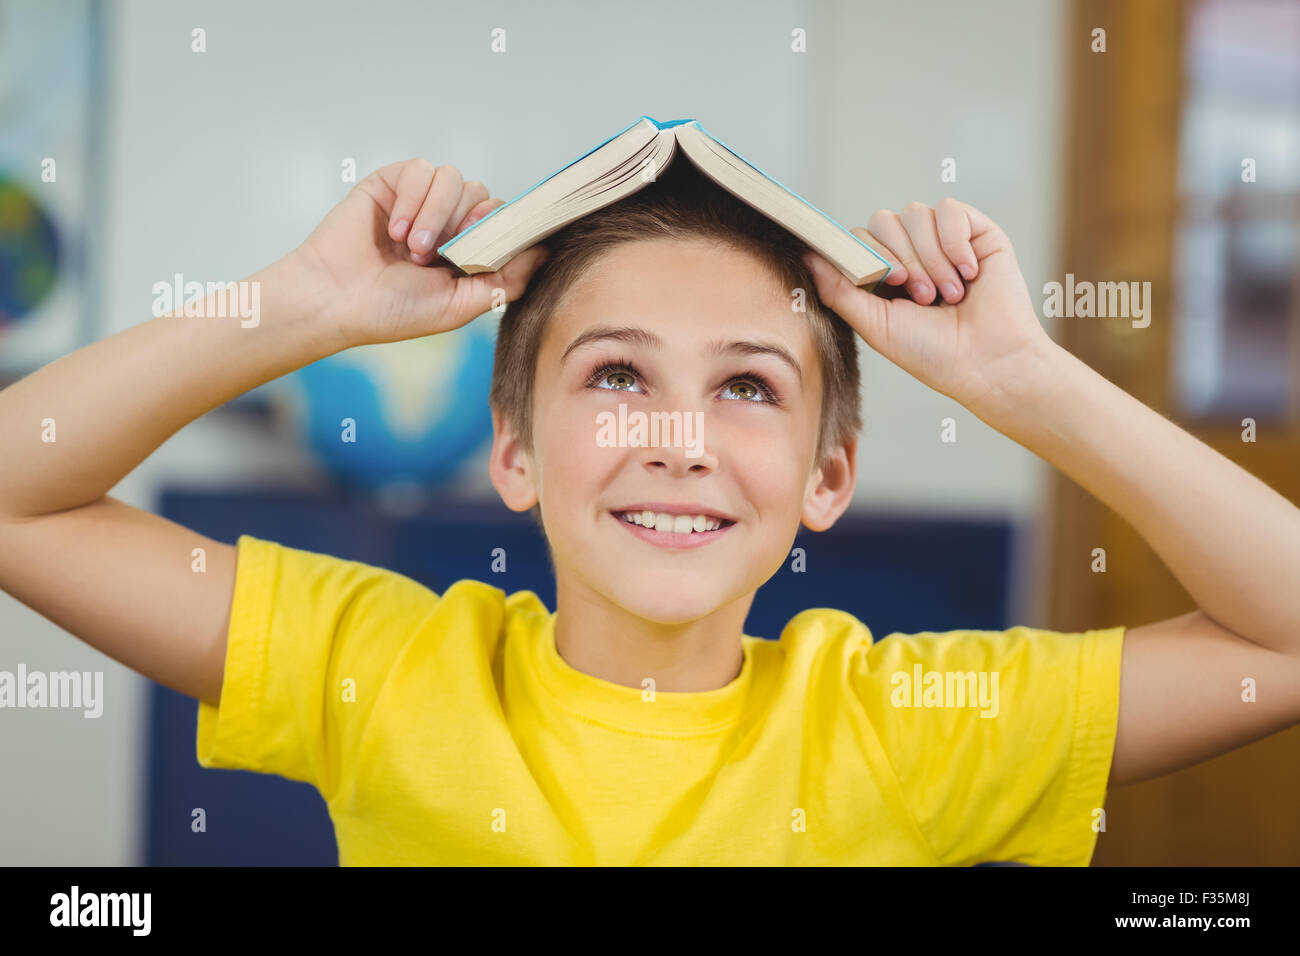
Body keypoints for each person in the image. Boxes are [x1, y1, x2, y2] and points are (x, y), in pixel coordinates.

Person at [2, 155, 1298, 866]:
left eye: (747, 385)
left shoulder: (912, 730)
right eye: (618, 375)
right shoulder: (383, 668)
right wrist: (299, 310)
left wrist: (1028, 382)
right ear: (513, 449)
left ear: (825, 476)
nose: (679, 441)